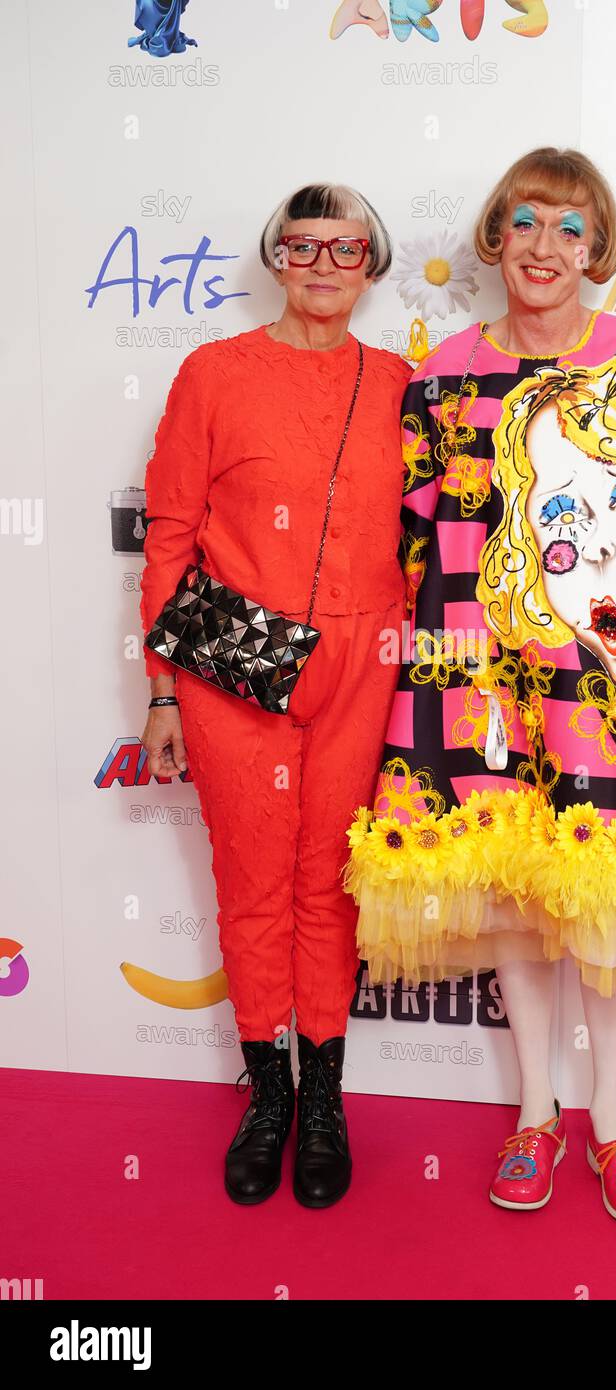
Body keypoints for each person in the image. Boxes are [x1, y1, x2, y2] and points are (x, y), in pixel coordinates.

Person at [345, 147, 616, 1220]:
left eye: (569, 229)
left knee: (606, 902)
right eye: (523, 222)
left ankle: (609, 1121)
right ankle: (534, 1114)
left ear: (597, 251)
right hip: (475, 681)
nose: (542, 247)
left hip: (606, 683)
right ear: (493, 239)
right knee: (518, 902)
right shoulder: (440, 375)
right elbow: (408, 543)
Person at [140, 183, 411, 1208]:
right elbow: (168, 535)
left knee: (328, 883)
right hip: (232, 669)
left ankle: (326, 1097)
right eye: (304, 247)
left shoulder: (398, 383)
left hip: (362, 661)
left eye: (347, 249)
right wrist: (162, 692)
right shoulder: (211, 373)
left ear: (372, 266)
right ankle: (267, 1095)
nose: (324, 265)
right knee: (253, 881)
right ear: (276, 258)